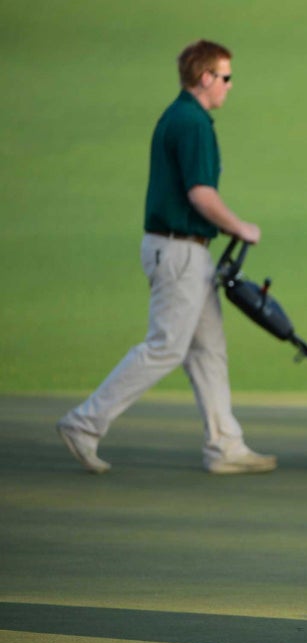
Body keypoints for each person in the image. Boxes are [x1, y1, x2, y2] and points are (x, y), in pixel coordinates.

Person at [56, 39, 276, 475]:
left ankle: (225, 445)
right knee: (165, 348)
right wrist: (239, 226)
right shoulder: (191, 122)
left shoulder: (182, 116)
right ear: (205, 77)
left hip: (184, 250)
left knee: (208, 349)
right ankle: (85, 423)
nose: (230, 87)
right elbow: (201, 194)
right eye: (226, 77)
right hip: (178, 252)